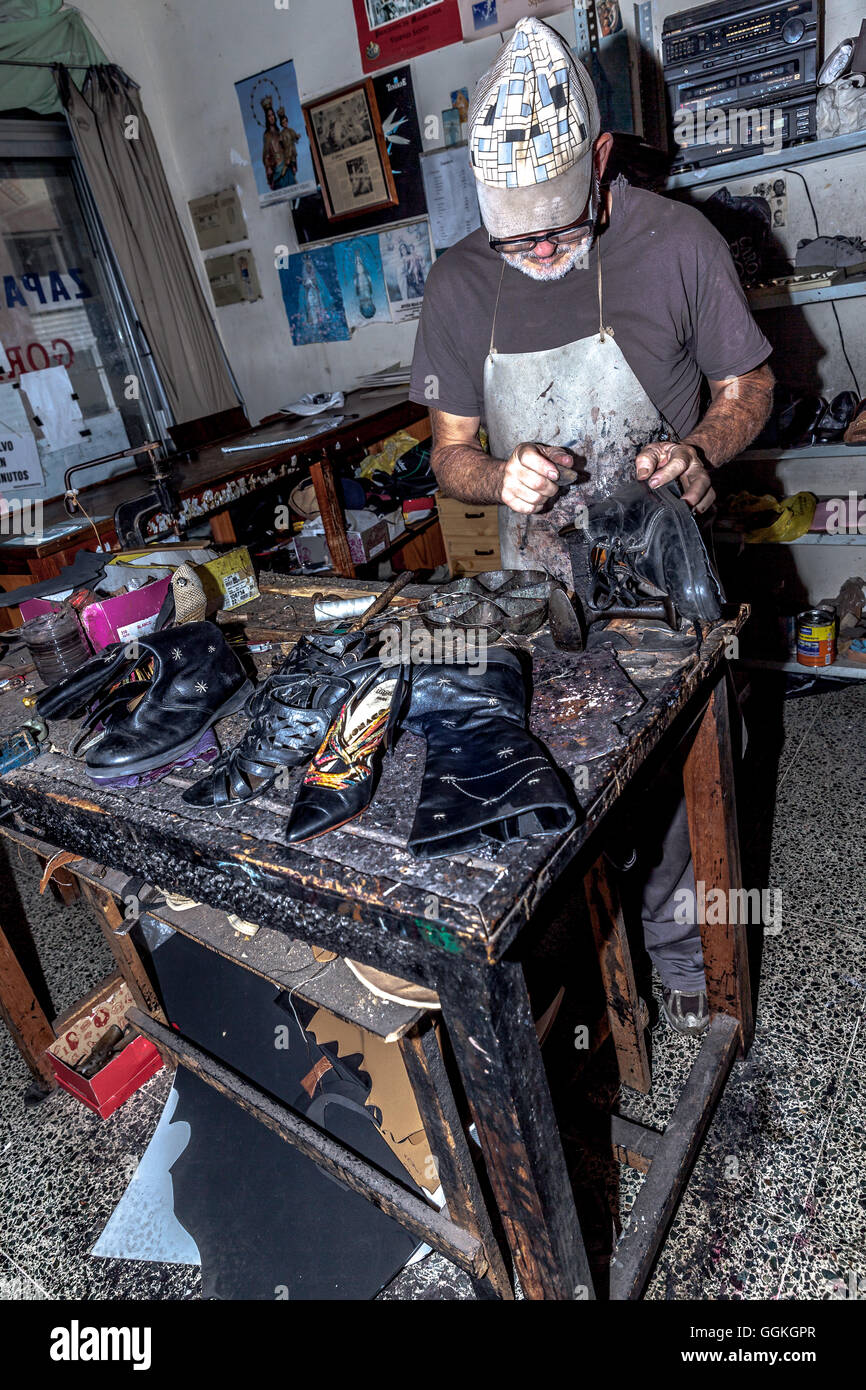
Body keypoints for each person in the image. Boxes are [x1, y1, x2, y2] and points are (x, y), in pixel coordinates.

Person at [409, 16, 774, 1035]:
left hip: (666, 575)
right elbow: (447, 454)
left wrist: (700, 450)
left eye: (553, 231)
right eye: (510, 234)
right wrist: (495, 476)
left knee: (674, 810)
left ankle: (699, 982)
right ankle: (588, 1006)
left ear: (600, 161)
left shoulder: (676, 243)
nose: (530, 252)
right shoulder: (458, 282)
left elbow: (748, 382)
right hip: (543, 585)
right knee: (548, 796)